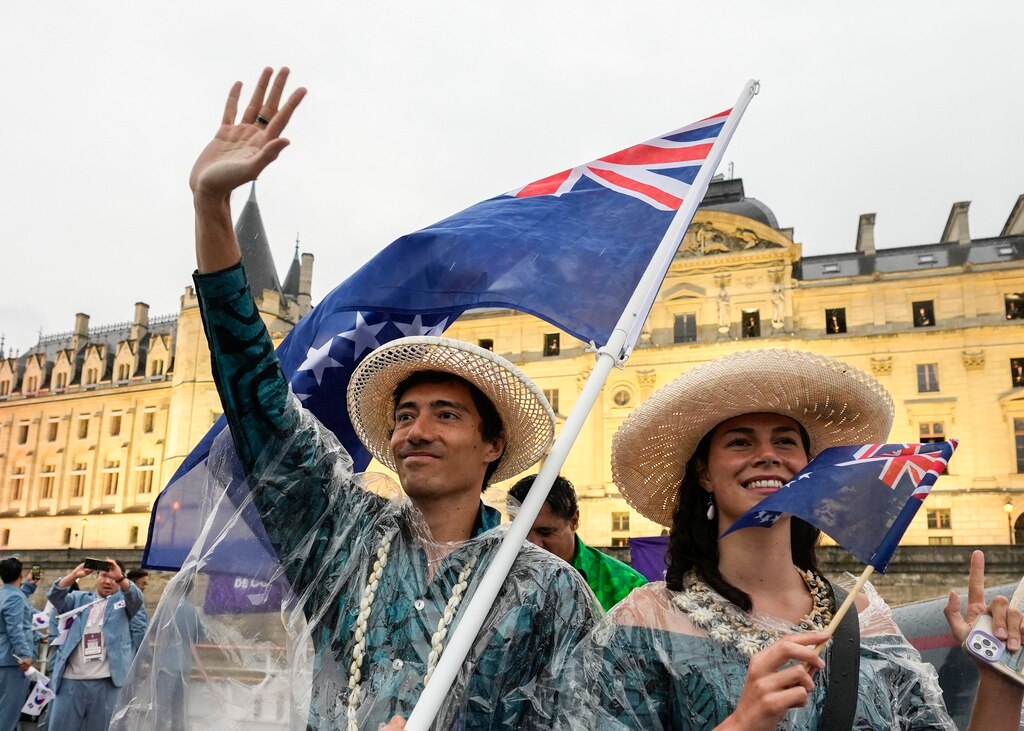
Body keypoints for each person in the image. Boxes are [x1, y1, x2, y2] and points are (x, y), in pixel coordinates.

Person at [115, 66, 596, 731]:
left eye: (445, 413)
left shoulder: (548, 589)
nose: (416, 430)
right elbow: (257, 398)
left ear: (493, 444)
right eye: (404, 414)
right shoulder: (341, 535)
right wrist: (210, 207)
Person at [559, 348, 1024, 730]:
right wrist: (742, 724)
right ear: (703, 472)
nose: (767, 455)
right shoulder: (644, 621)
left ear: (810, 467)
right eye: (740, 442)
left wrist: (1000, 680)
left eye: (785, 442)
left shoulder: (864, 614)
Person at [508, 474, 647, 611]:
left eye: (545, 532)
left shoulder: (629, 587)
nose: (533, 544)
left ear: (574, 521)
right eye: (521, 533)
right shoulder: (500, 580)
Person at [47, 558, 144, 731]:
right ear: (96, 577)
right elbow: (55, 596)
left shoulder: (124, 604)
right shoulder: (78, 599)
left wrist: (121, 579)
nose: (108, 581)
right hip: (71, 681)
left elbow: (137, 598)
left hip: (106, 682)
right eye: (104, 576)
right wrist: (75, 575)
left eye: (113, 578)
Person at [0, 557, 35, 731]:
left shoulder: (4, 594)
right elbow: (15, 629)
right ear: (21, 574)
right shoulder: (15, 597)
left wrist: (28, 586)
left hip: (2, 658)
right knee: (8, 714)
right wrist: (25, 654)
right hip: (12, 662)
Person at [126, 569, 149, 654]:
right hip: (133, 651)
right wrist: (144, 653)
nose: (144, 587)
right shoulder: (135, 600)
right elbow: (139, 628)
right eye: (143, 584)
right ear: (133, 584)